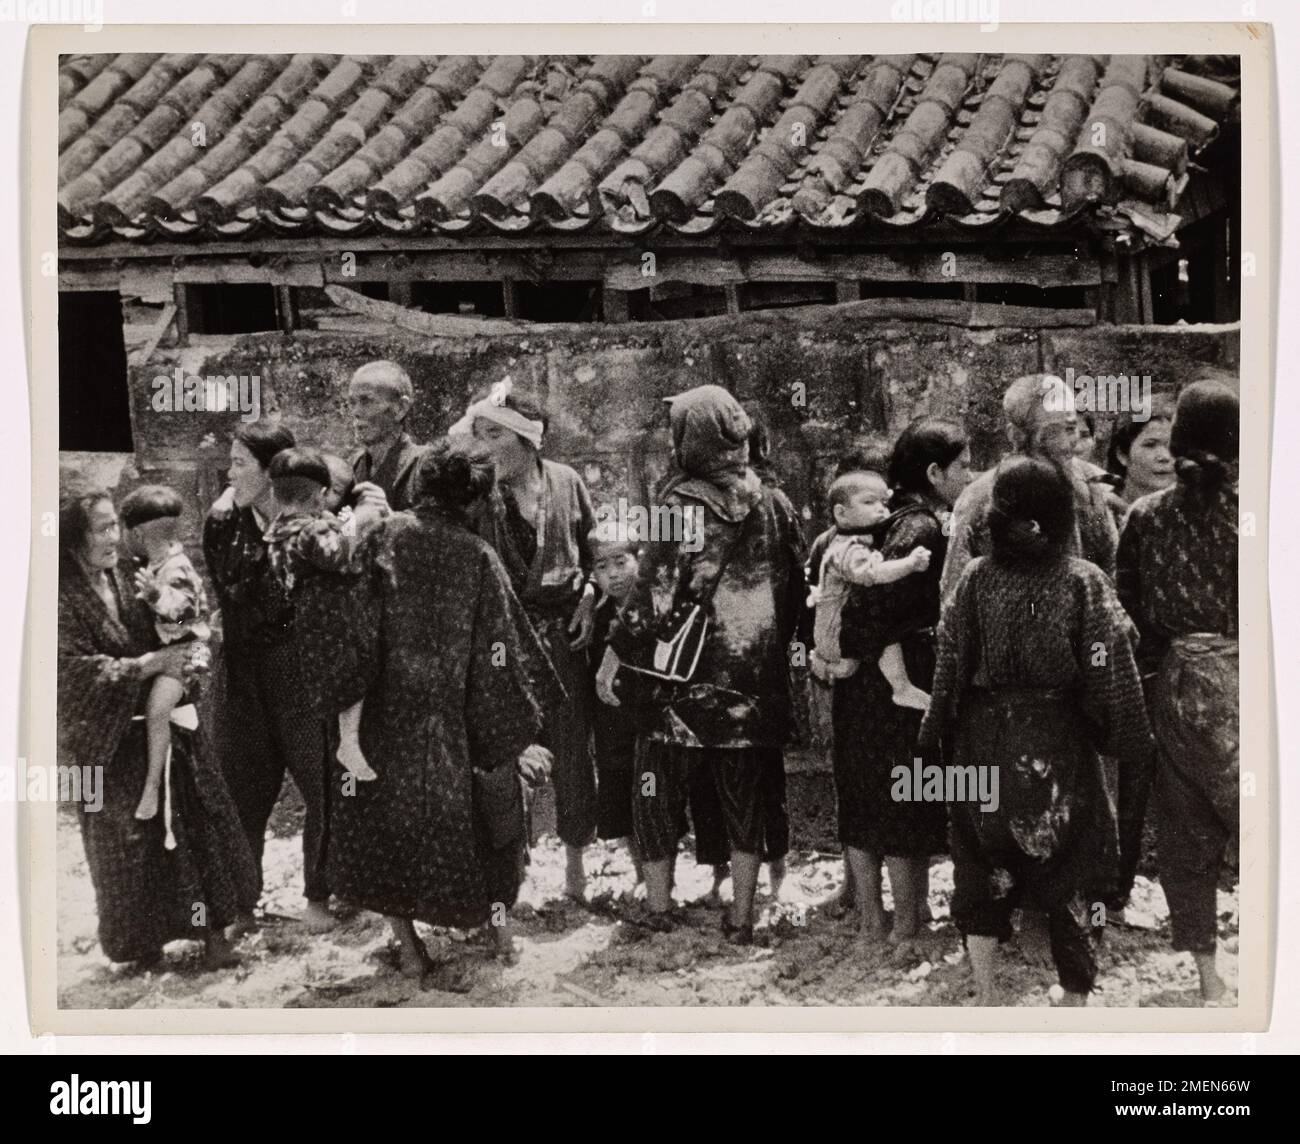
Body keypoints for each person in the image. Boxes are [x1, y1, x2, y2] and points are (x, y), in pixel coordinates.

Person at [322, 438, 560, 985]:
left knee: (382, 828)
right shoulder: (477, 557)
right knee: (492, 825)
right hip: (448, 726)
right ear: (475, 501)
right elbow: (501, 653)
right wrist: (511, 734)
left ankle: (408, 951)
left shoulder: (381, 535)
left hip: (374, 716)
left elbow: (347, 622)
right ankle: (501, 936)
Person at [920, 457, 1152, 1006]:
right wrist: (1123, 737)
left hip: (982, 737)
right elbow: (1108, 662)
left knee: (978, 858)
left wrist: (934, 735)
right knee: (1076, 861)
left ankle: (986, 989)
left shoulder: (976, 577)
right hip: (1057, 740)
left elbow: (949, 660)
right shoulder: (1083, 581)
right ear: (1063, 516)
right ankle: (1075, 991)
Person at [608, 385, 805, 944]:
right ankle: (742, 915)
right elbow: (796, 592)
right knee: (747, 798)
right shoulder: (777, 504)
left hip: (682, 685)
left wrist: (614, 655)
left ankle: (659, 905)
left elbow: (655, 596)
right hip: (753, 685)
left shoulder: (678, 508)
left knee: (655, 789)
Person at [58, 483, 256, 970]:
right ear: (73, 540)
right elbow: (68, 672)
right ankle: (141, 948)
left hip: (169, 726)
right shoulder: (59, 598)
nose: (114, 537)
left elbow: (187, 628)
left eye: (114, 525)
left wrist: (190, 660)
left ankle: (212, 935)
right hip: (104, 742)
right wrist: (149, 663)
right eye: (102, 528)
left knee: (196, 829)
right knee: (124, 848)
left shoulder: (131, 575)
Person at [1116, 380, 1239, 1004]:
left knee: (1185, 837)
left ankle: (1209, 979)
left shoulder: (1144, 516)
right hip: (1251, 686)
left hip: (1177, 689)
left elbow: (1126, 612)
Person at [454, 379, 600, 902]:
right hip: (501, 645)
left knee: (572, 749)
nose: (483, 447)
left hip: (561, 638)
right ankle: (510, 866)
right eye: (479, 435)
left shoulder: (565, 481)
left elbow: (597, 551)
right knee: (505, 748)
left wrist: (589, 594)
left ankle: (577, 864)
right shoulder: (477, 495)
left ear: (524, 439)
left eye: (493, 435)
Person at [833, 417, 969, 953]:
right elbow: (872, 606)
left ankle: (873, 923)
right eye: (962, 465)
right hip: (894, 685)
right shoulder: (922, 529)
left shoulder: (879, 518)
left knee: (865, 805)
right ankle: (907, 926)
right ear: (935, 473)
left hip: (863, 680)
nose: (969, 474)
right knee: (902, 804)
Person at [203, 422, 336, 933]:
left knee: (322, 785)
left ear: (272, 469)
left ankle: (319, 898)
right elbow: (237, 591)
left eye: (240, 463)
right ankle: (241, 904)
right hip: (243, 672)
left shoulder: (312, 516)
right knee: (241, 789)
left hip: (301, 672)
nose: (230, 472)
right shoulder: (223, 522)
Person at [940, 374, 1119, 608]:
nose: (1068, 443)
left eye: (1071, 428)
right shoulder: (978, 498)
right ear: (1015, 436)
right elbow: (954, 595)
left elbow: (1112, 567)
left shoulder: (1087, 483)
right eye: (1052, 432)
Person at [262, 447, 379, 783]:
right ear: (321, 495)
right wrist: (360, 521)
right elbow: (342, 557)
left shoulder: (278, 530)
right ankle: (350, 744)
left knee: (340, 682)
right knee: (353, 678)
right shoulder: (312, 532)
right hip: (333, 621)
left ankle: (347, 743)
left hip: (307, 622)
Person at [119, 485, 213, 826]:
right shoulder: (158, 562)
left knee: (157, 710)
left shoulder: (174, 568)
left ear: (138, 532)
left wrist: (158, 595)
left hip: (190, 649)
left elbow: (185, 614)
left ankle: (152, 785)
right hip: (176, 649)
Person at [808, 469, 933, 708]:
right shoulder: (846, 548)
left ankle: (824, 665)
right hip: (837, 632)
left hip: (831, 629)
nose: (881, 509)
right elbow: (873, 575)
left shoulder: (855, 539)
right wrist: (910, 564)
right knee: (884, 630)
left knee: (847, 669)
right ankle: (901, 687)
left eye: (884, 502)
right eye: (869, 502)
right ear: (841, 514)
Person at [588, 531, 645, 889]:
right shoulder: (595, 615)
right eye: (602, 566)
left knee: (652, 796)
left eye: (622, 561)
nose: (614, 573)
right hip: (613, 728)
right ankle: (641, 873)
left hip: (649, 725)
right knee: (622, 797)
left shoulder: (652, 608)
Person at [347, 360, 428, 513]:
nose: (356, 412)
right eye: (352, 403)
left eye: (367, 401)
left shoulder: (425, 467)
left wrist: (390, 519)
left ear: (400, 408)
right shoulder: (353, 466)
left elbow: (439, 531)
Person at [1105, 395, 1177, 512]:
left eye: (1172, 446)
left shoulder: (1195, 515)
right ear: (1122, 455)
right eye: (1150, 445)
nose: (1165, 457)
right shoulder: (1099, 511)